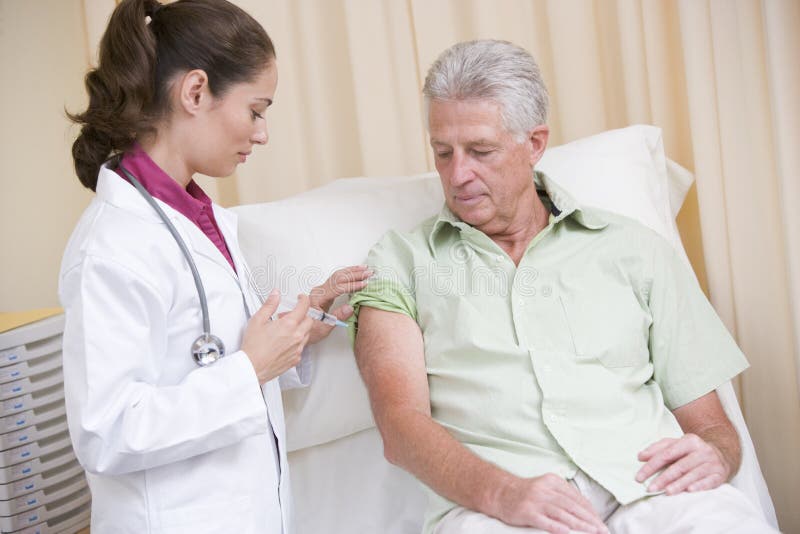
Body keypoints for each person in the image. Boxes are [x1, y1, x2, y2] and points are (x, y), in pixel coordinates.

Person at [350, 40, 777, 534]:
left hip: (651, 490)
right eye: (443, 153)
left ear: (534, 143)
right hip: (501, 510)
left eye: (480, 151)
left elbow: (712, 425)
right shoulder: (400, 262)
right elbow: (401, 428)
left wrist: (716, 456)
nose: (457, 174)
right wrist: (504, 494)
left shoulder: (635, 249)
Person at [60, 1, 371, 532]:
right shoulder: (113, 246)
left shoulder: (203, 218)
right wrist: (250, 369)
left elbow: (205, 354)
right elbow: (106, 432)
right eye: (256, 109)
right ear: (196, 91)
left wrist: (293, 332)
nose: (262, 133)